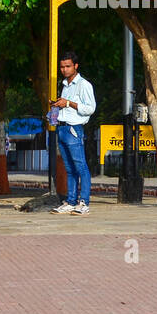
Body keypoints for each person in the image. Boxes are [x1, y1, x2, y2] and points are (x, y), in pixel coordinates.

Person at [51, 50, 97, 214]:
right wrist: (57, 106)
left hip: (74, 129)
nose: (64, 70)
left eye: (68, 66)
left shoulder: (84, 85)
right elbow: (65, 105)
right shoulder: (65, 85)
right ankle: (71, 201)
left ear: (75, 66)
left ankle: (84, 202)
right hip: (62, 127)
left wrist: (69, 103)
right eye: (62, 67)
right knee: (69, 168)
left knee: (80, 167)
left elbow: (90, 109)